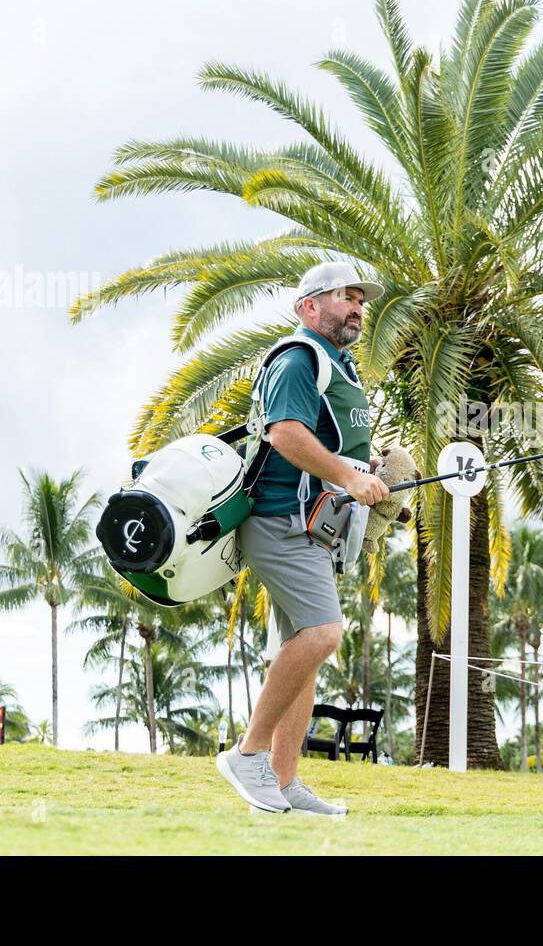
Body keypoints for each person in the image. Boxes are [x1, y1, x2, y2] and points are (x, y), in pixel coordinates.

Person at [215, 261, 390, 817]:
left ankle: (284, 783)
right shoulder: (299, 358)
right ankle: (248, 755)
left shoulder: (339, 366)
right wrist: (350, 476)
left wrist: (369, 463)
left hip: (316, 526)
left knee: (305, 655)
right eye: (345, 297)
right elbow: (285, 433)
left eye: (361, 299)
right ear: (309, 307)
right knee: (322, 635)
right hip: (280, 521)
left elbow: (328, 438)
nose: (357, 307)